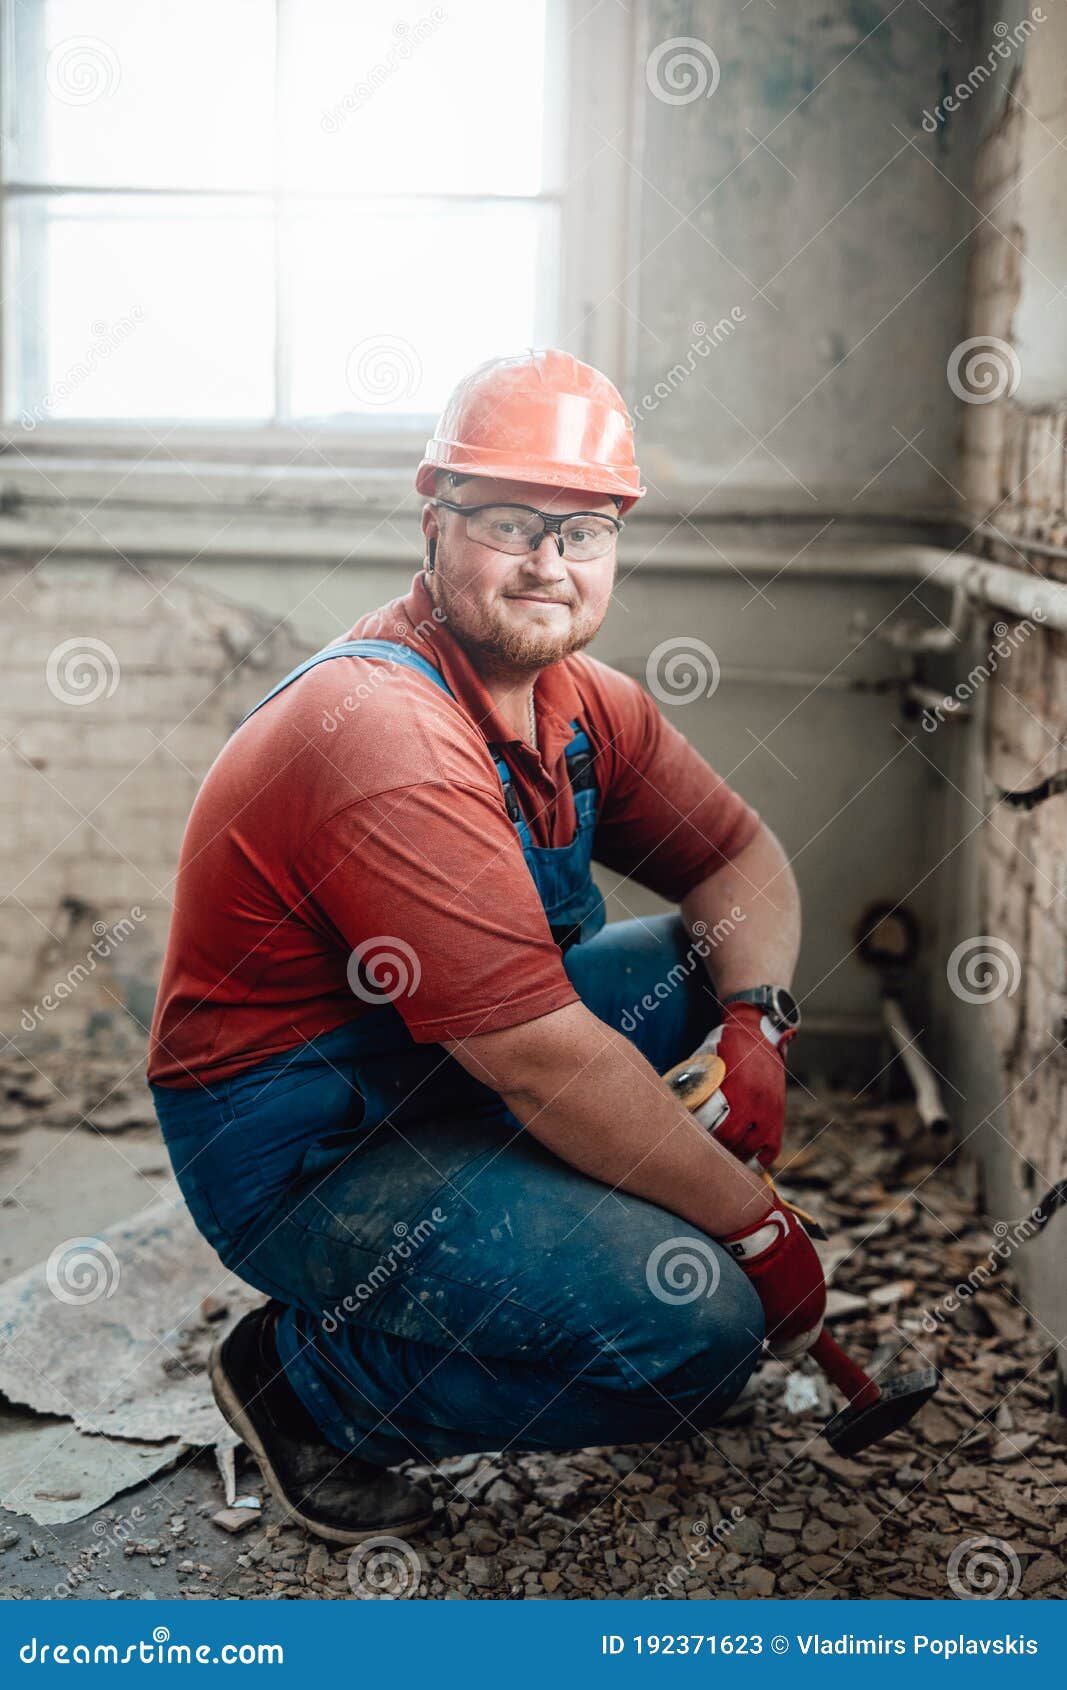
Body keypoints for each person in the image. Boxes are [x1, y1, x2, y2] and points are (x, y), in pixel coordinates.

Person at [148, 349, 824, 1546]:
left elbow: (743, 866)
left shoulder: (584, 701)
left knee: (692, 953)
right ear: (432, 525)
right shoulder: (383, 734)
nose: (547, 565)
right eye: (510, 521)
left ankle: (542, 1240)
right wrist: (751, 1226)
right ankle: (310, 1385)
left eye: (584, 530)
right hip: (302, 1139)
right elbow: (538, 1062)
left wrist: (753, 1022)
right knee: (698, 1326)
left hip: (439, 1065)